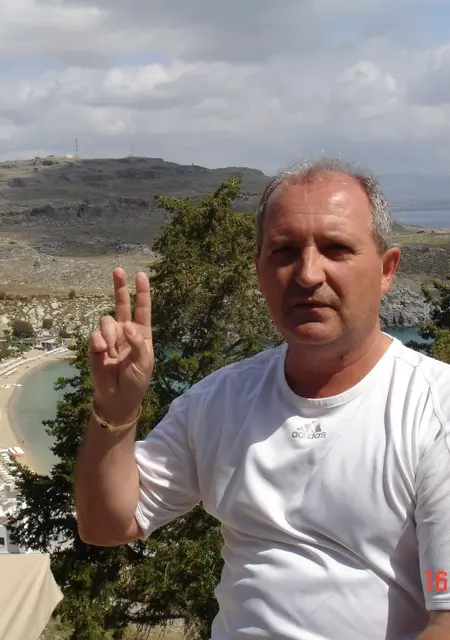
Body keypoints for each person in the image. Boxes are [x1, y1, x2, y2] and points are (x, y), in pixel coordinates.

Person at [74, 157, 450, 640]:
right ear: (259, 271)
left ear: (387, 269)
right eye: (284, 251)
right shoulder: (220, 400)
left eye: (336, 249)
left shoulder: (434, 410)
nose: (308, 274)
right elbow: (106, 524)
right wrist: (116, 411)